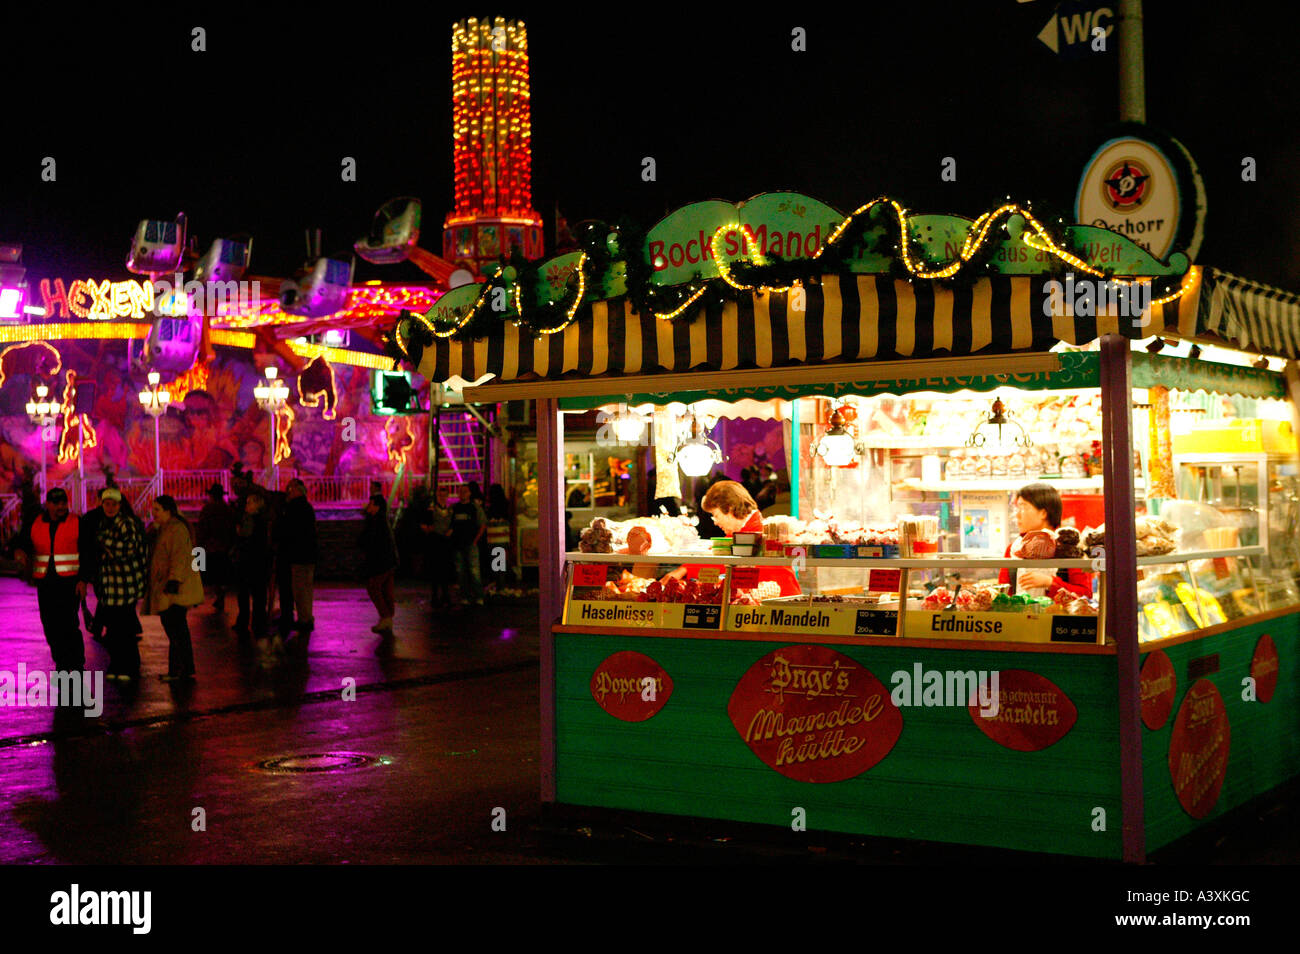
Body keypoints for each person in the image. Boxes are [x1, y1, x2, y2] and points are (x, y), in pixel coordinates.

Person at [662, 480, 801, 596]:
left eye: (715, 515)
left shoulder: (761, 534)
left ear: (729, 509)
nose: (715, 522)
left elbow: (737, 572)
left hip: (780, 613)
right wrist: (685, 568)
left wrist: (686, 570)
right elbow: (719, 560)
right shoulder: (741, 532)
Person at [15, 487, 86, 671]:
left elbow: (88, 553)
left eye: (63, 503)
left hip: (69, 583)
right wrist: (20, 552)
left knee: (69, 625)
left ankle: (75, 666)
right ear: (48, 504)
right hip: (46, 584)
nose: (61, 507)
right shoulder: (36, 522)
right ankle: (62, 662)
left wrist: (83, 580)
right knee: (50, 626)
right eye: (56, 503)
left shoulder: (76, 522)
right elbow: (22, 542)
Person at [144, 495, 204, 681]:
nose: (153, 513)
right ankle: (182, 669)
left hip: (174, 588)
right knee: (177, 629)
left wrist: (174, 580)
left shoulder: (175, 530)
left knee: (175, 628)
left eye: (157, 510)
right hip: (172, 586)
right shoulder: (167, 528)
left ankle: (179, 670)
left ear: (168, 510)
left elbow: (179, 556)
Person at [997, 482, 1092, 599]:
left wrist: (1050, 583)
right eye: (1018, 508)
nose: (1017, 515)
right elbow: (1004, 594)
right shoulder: (1013, 549)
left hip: (1060, 617)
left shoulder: (1070, 549)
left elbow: (1086, 595)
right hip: (1019, 617)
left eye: (1023, 507)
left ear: (1043, 513)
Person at [93, 488, 147, 681]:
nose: (110, 507)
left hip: (125, 585)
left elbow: (127, 550)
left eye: (113, 504)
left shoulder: (126, 524)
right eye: (106, 503)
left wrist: (104, 543)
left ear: (120, 505)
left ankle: (129, 666)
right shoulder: (104, 525)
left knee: (124, 629)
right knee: (115, 629)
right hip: (111, 586)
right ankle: (117, 664)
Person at [277, 478, 318, 642]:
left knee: (300, 589)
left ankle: (304, 620)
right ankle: (307, 617)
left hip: (299, 555)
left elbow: (287, 530)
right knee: (306, 588)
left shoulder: (294, 508)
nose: (288, 492)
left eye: (290, 489)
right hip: (308, 554)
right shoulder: (307, 508)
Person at [233, 490, 272, 644]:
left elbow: (244, 537)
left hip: (249, 561)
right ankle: (257, 623)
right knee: (258, 595)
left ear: (257, 505)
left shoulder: (250, 521)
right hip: (258, 562)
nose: (246, 506)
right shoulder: (263, 521)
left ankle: (246, 622)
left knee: (246, 594)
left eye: (250, 503)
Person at [359, 493, 399, 634]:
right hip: (388, 560)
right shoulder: (379, 520)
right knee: (386, 589)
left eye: (371, 504)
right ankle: (387, 617)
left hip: (382, 561)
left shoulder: (377, 522)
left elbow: (372, 542)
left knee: (373, 587)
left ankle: (386, 616)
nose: (368, 506)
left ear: (376, 506)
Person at [196, 483, 235, 616]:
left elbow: (202, 527)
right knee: (221, 573)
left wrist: (199, 543)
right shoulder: (227, 509)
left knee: (210, 573)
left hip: (211, 546)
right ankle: (220, 594)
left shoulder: (208, 509)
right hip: (224, 546)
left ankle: (214, 595)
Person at [420, 485, 455, 608]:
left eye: (444, 495)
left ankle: (445, 594)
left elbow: (453, 524)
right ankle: (435, 596)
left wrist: (451, 530)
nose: (442, 497)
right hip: (435, 542)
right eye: (440, 495)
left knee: (445, 569)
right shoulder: (431, 509)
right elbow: (423, 525)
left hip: (445, 542)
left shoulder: (450, 510)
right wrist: (429, 530)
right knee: (435, 569)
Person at [449, 489, 484, 607]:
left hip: (469, 543)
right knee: (462, 571)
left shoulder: (473, 508)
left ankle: (477, 596)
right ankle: (467, 596)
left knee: (473, 571)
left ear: (469, 494)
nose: (462, 494)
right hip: (459, 544)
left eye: (465, 492)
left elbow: (482, 524)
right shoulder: (455, 508)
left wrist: (475, 540)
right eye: (461, 492)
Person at [484, 482, 512, 590]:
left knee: (496, 561)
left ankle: (498, 584)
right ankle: (501, 583)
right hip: (503, 536)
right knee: (501, 561)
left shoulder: (490, 507)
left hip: (493, 537)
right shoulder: (505, 504)